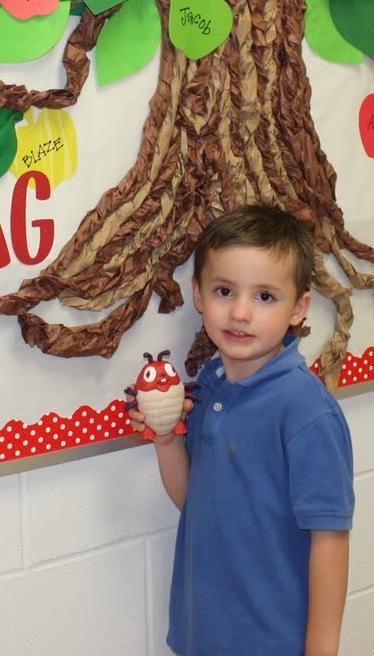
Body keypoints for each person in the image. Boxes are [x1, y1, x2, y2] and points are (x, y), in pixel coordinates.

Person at [127, 205, 354, 656]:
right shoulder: (210, 385)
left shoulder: (305, 409)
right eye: (225, 291)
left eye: (265, 296)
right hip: (203, 633)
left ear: (298, 308)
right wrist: (168, 441)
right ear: (198, 294)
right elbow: (192, 499)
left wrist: (322, 648)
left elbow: (331, 537)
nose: (240, 312)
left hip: (274, 640)